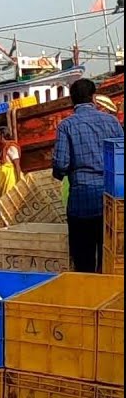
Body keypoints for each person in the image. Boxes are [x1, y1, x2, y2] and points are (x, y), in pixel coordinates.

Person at [52, 79, 123, 273]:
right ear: (93, 97)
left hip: (81, 199)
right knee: (109, 257)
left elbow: (60, 164)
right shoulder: (112, 121)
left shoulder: (66, 126)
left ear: (71, 100)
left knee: (84, 261)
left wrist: (60, 175)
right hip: (112, 199)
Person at [0, 126, 23, 198]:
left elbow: (17, 164)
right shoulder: (4, 147)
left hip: (11, 179)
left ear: (1, 135)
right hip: (5, 179)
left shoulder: (11, 147)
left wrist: (19, 180)